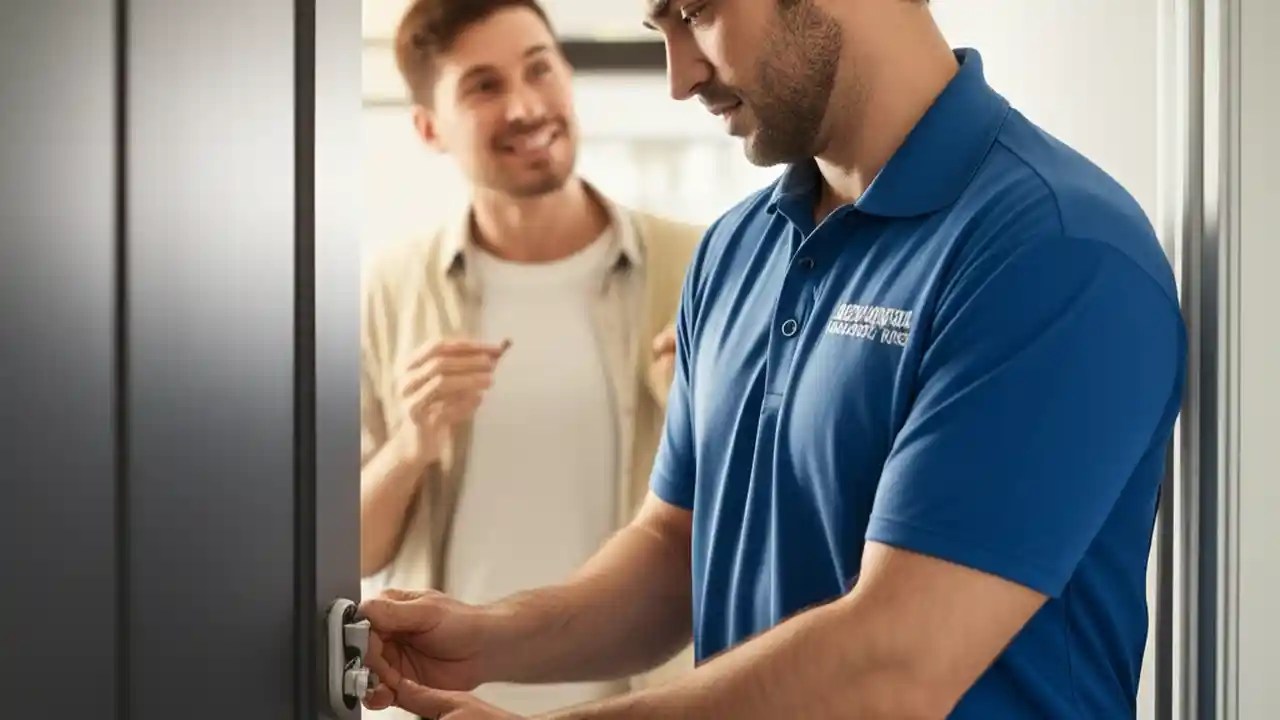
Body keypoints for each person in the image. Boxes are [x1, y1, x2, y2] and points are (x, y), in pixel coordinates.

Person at [361, 0, 1187, 717]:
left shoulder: (1056, 249)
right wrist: (490, 638)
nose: (681, 77)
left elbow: (896, 665)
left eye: (697, 13)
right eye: (659, 26)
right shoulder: (733, 252)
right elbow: (675, 547)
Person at [357, 0, 701, 717]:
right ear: (428, 126)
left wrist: (704, 414)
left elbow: (766, 513)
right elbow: (348, 549)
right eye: (482, 86)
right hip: (443, 704)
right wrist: (410, 447)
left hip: (644, 704)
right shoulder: (389, 290)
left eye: (539, 69)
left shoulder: (699, 266)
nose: (524, 106)